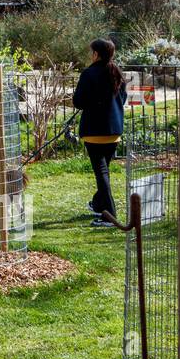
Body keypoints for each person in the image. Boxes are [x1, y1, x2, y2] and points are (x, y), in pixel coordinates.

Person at [73, 38, 127, 227]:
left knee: (101, 172)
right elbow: (124, 97)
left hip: (94, 132)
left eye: (92, 52)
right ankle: (98, 204)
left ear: (96, 54)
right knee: (104, 172)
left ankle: (110, 215)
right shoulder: (116, 72)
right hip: (114, 132)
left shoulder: (89, 74)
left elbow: (78, 102)